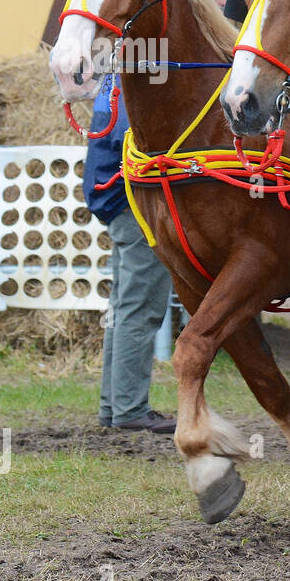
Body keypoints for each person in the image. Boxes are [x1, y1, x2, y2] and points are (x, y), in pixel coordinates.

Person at [85, 82, 177, 432]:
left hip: (120, 203)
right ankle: (129, 409)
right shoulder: (139, 87)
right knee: (140, 307)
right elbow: (138, 139)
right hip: (136, 202)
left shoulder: (118, 81)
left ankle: (115, 406)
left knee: (125, 306)